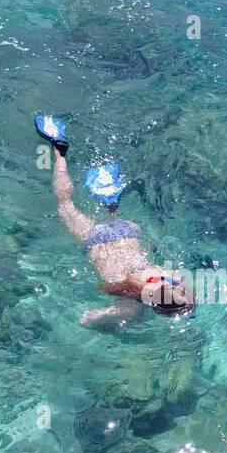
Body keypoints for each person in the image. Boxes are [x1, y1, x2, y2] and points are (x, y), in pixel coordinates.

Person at [34, 114, 194, 329]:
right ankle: (58, 152)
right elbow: (86, 319)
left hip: (127, 233)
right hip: (95, 242)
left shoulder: (174, 277)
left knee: (110, 214)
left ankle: (111, 204)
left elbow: (180, 296)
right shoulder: (131, 305)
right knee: (65, 204)